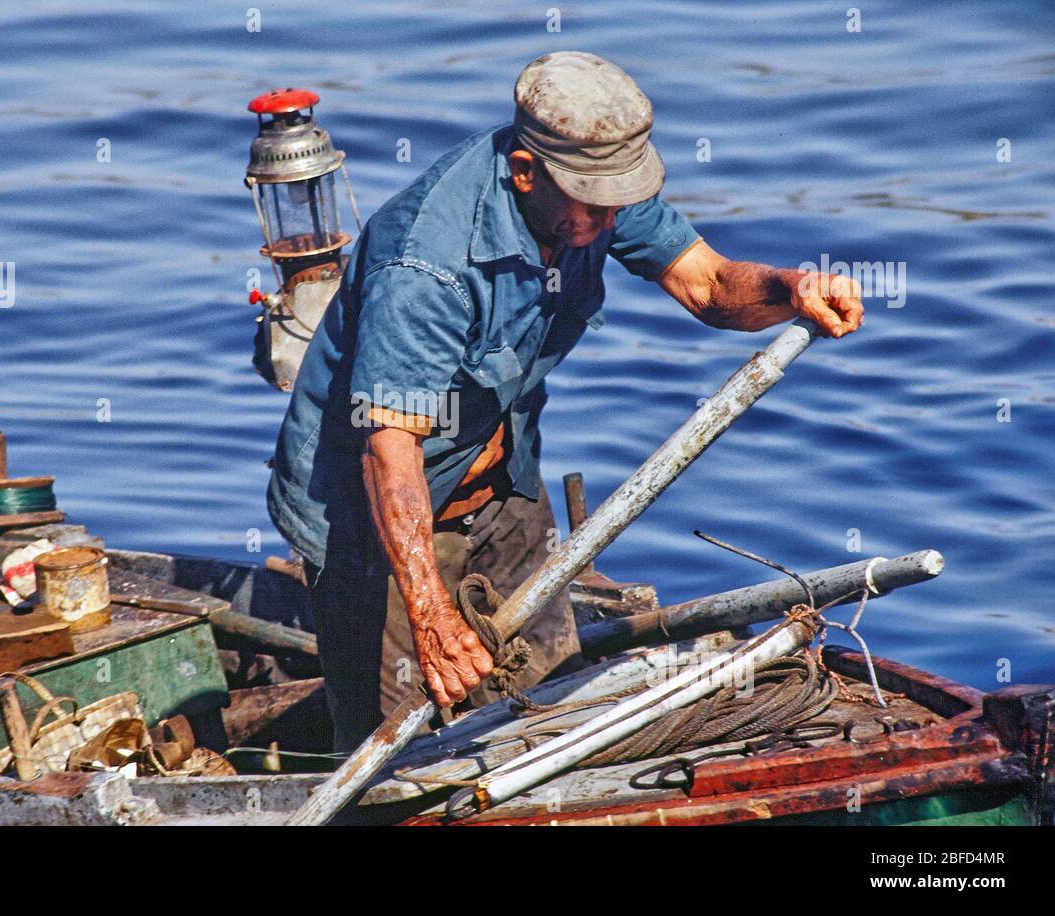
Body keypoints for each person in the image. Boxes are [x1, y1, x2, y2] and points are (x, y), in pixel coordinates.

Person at [267, 50, 864, 752]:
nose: (614, 216)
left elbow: (708, 286)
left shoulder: (593, 201)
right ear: (525, 172)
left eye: (622, 195)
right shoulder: (425, 264)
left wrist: (789, 288)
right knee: (404, 756)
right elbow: (388, 453)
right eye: (596, 200)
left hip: (503, 486)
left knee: (549, 708)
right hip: (378, 518)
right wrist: (430, 616)